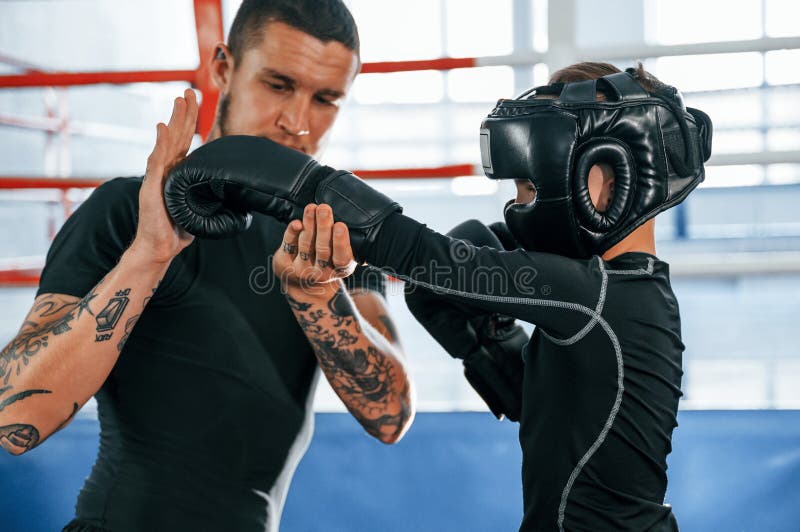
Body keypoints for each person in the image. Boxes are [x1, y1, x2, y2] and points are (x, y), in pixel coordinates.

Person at [162, 61, 713, 531]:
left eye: (531, 187)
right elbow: (550, 409)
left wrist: (294, 185)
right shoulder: (601, 303)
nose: (521, 204)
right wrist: (487, 349)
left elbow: (430, 258)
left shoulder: (603, 300)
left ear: (610, 173)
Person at [0, 1, 414, 531]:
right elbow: (16, 419)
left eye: (326, 98)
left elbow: (391, 417)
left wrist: (319, 299)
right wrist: (148, 254)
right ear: (223, 67)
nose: (299, 123)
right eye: (279, 85)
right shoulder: (127, 211)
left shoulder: (330, 240)